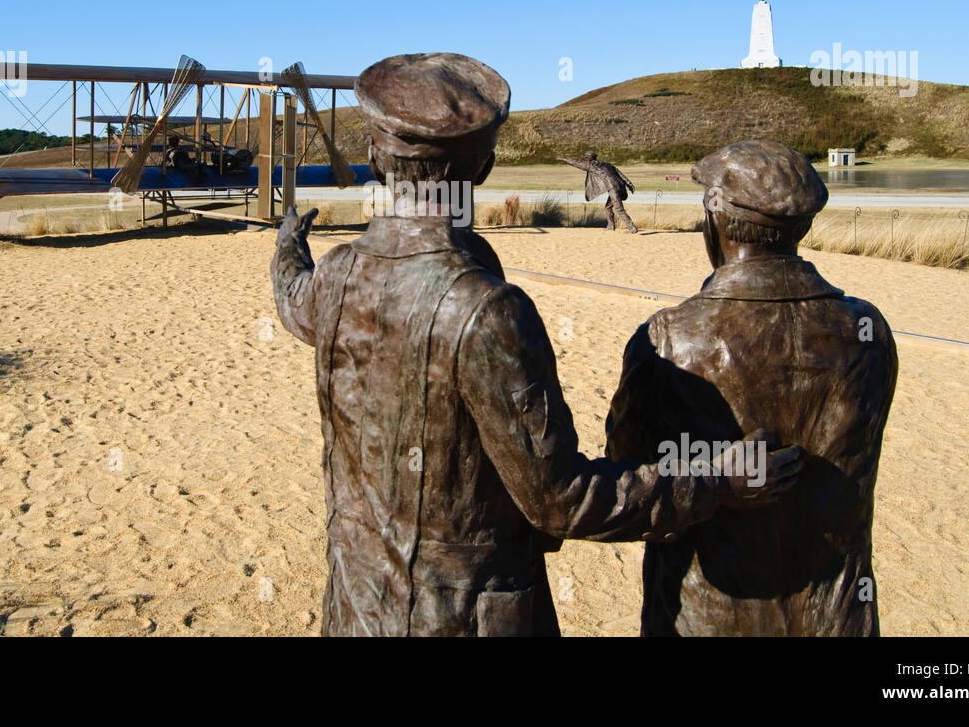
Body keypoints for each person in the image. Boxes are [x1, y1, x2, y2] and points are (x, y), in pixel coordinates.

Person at [270, 54, 803, 637]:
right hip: (460, 618)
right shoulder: (488, 311)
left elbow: (296, 300)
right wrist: (715, 483)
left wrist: (289, 245)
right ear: (484, 167)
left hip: (357, 605)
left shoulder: (339, 276)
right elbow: (559, 498)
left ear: (374, 159)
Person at [605, 139, 897, 636]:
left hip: (708, 615)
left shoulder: (668, 341)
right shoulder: (867, 330)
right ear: (802, 226)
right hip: (833, 615)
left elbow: (623, 478)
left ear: (714, 219)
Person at [560, 152, 638, 232]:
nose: (586, 159)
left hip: (612, 188)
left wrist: (565, 159)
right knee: (608, 207)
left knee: (619, 209)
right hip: (620, 186)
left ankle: (632, 227)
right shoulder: (608, 164)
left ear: (588, 158)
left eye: (586, 158)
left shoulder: (590, 165)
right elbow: (620, 174)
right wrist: (629, 184)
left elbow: (577, 164)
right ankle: (611, 225)